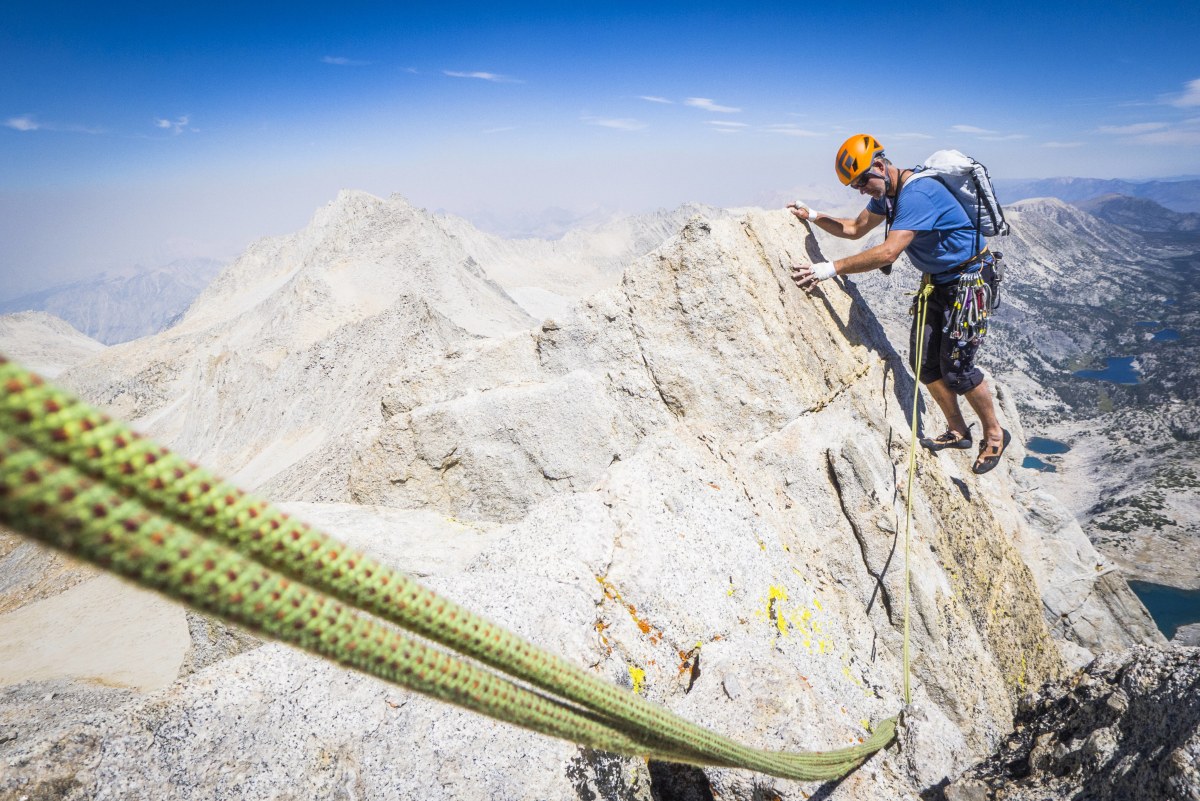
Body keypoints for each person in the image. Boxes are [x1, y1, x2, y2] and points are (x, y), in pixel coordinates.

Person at [789, 134, 1010, 475]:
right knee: (923, 362)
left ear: (880, 165)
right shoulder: (888, 195)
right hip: (939, 283)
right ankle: (958, 430)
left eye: (863, 180)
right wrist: (814, 215)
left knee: (958, 370)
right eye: (855, 186)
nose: (862, 189)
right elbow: (854, 228)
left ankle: (995, 434)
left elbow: (888, 252)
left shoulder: (918, 194)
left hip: (968, 282)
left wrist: (829, 269)